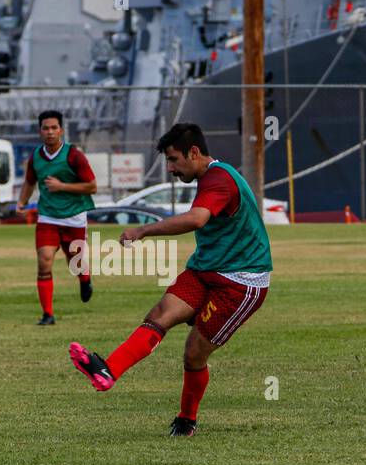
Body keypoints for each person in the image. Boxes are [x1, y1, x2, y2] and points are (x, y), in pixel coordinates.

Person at [69, 123, 271, 437]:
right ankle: (108, 371)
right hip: (206, 270)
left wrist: (143, 230)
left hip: (240, 281)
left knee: (193, 352)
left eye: (174, 160)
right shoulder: (209, 178)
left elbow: (196, 219)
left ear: (194, 152)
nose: (170, 168)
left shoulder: (220, 178)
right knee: (160, 315)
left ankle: (186, 421)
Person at [15, 110, 96, 325]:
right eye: (45, 128)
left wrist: (62, 186)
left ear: (61, 130)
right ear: (40, 131)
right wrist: (22, 202)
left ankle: (85, 279)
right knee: (44, 261)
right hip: (48, 218)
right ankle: (48, 314)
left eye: (53, 128)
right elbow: (29, 182)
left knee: (75, 264)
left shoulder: (74, 155)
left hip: (75, 217)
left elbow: (92, 186)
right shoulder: (35, 157)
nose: (50, 132)